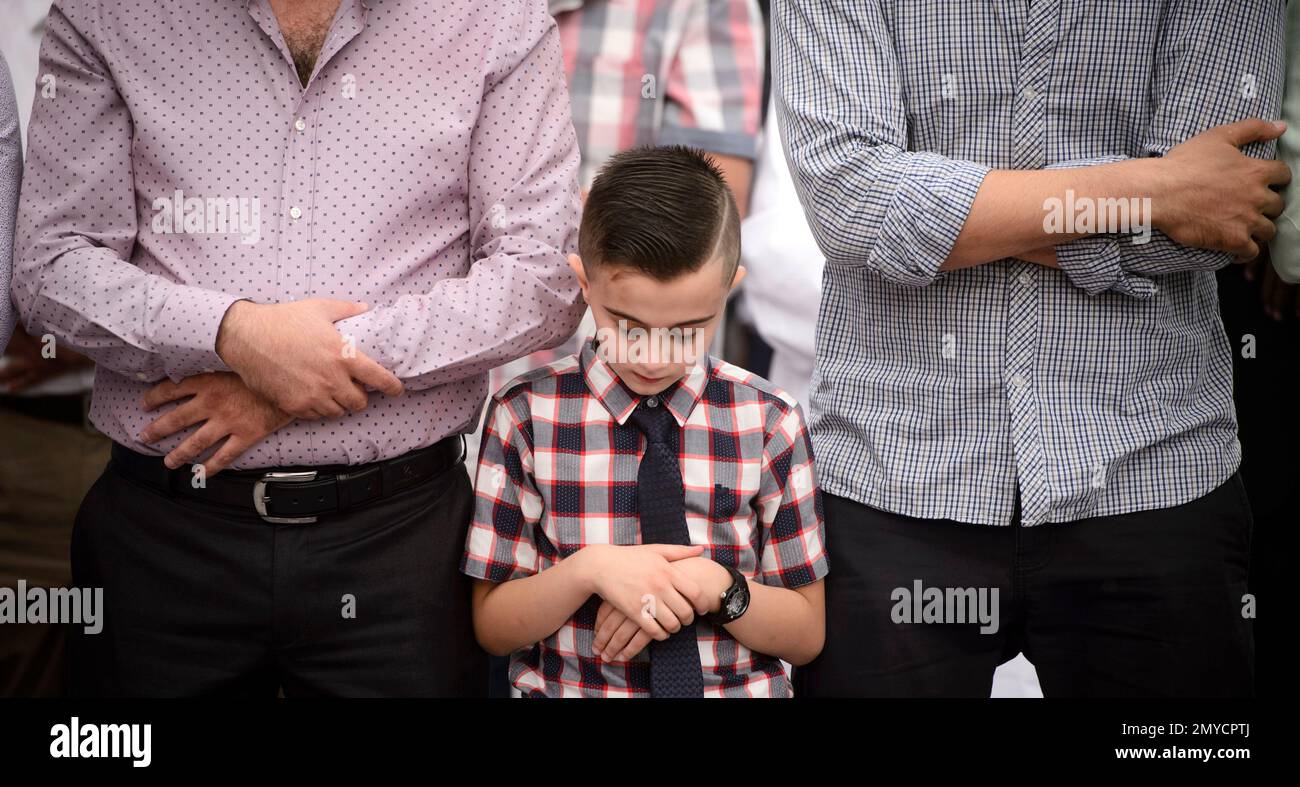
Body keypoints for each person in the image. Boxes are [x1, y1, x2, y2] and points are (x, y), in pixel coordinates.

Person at [12, 0, 584, 696]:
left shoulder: (494, 16)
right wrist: (235, 333)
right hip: (161, 544)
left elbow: (540, 276)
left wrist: (311, 366)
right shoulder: (110, 12)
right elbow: (51, 264)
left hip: (400, 545)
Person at [774, 0, 1288, 697]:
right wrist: (1150, 188)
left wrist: (960, 216)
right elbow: (850, 203)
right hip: (891, 464)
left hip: (1155, 463)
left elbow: (1221, 210)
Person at [462, 146, 828, 697]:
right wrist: (590, 571)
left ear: (730, 287)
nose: (653, 355)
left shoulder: (771, 422)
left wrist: (712, 587)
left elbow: (805, 634)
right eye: (627, 324)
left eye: (687, 327)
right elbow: (492, 627)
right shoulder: (524, 417)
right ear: (585, 285)